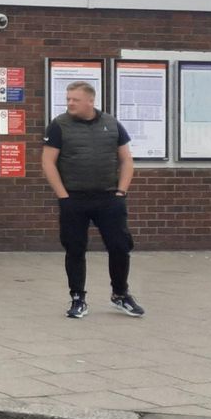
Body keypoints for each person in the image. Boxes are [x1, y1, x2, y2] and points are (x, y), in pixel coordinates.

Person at [41, 80, 141, 319]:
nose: (70, 103)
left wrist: (121, 192)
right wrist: (63, 196)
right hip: (74, 199)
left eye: (75, 99)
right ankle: (78, 298)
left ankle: (120, 294)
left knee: (119, 247)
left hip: (108, 198)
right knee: (75, 249)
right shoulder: (58, 126)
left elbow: (126, 160)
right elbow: (47, 162)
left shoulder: (112, 124)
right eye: (68, 99)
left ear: (90, 101)